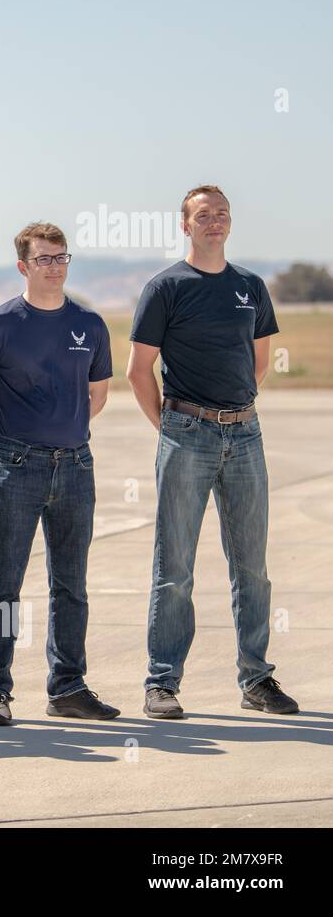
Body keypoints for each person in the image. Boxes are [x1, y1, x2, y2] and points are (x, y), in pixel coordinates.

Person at [127, 185, 298, 718]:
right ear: (186, 225)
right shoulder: (166, 287)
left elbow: (259, 363)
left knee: (253, 567)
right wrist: (173, 428)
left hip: (245, 436)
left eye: (221, 213)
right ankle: (162, 682)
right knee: (174, 566)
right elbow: (138, 371)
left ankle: (257, 679)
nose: (214, 222)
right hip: (186, 435)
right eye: (203, 215)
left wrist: (233, 414)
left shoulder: (250, 286)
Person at [0, 222, 120, 726]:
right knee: (2, 583)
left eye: (60, 257)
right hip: (15, 468)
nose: (54, 266)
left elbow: (97, 395)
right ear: (23, 266)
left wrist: (62, 435)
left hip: (75, 466)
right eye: (44, 258)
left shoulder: (90, 324)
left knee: (71, 583)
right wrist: (8, 444)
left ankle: (68, 687)